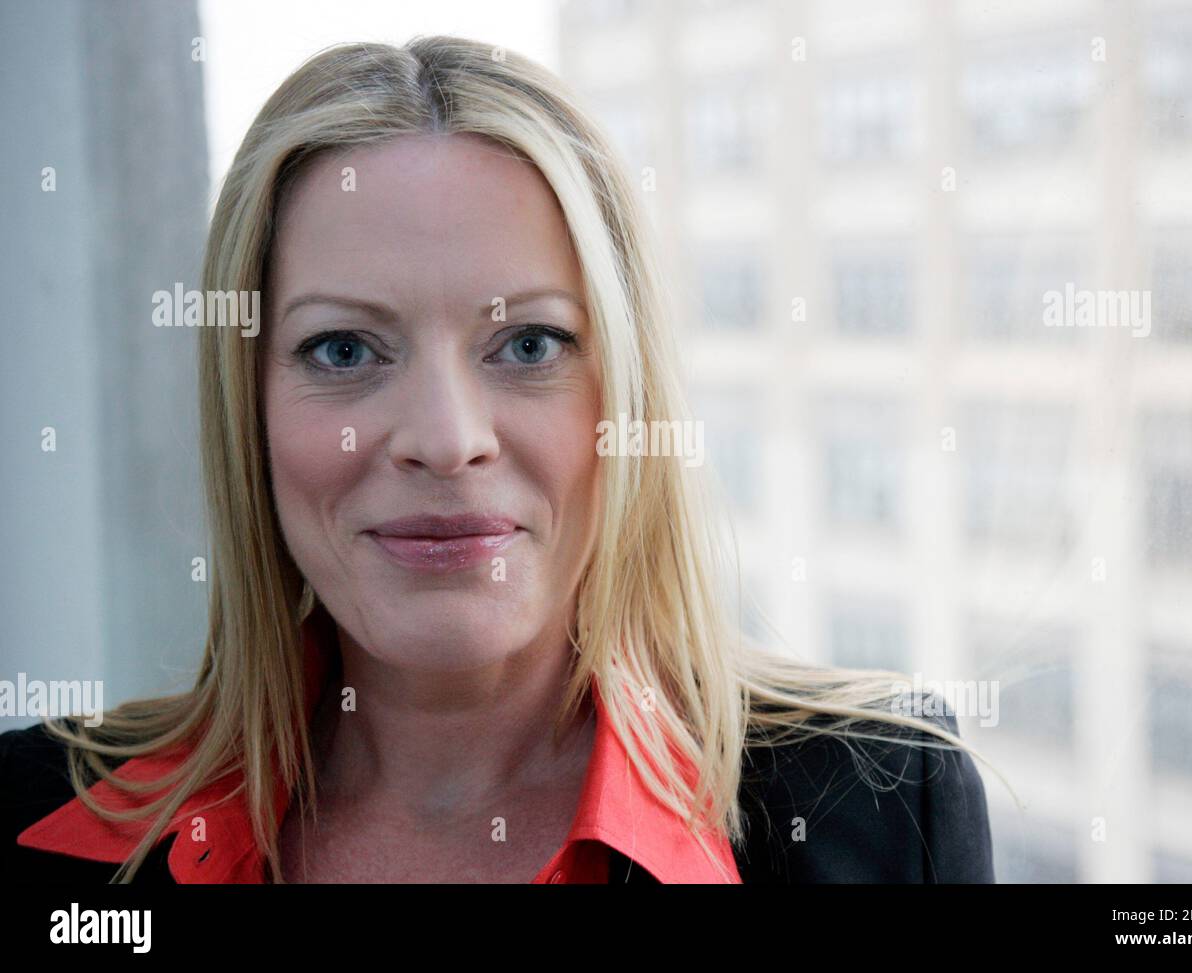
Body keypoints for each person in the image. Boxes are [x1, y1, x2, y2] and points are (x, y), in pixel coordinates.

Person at [1, 35, 998, 884]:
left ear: (626, 393)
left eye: (528, 344)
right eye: (343, 350)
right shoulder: (21, 809)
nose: (445, 441)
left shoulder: (881, 803)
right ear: (246, 407)